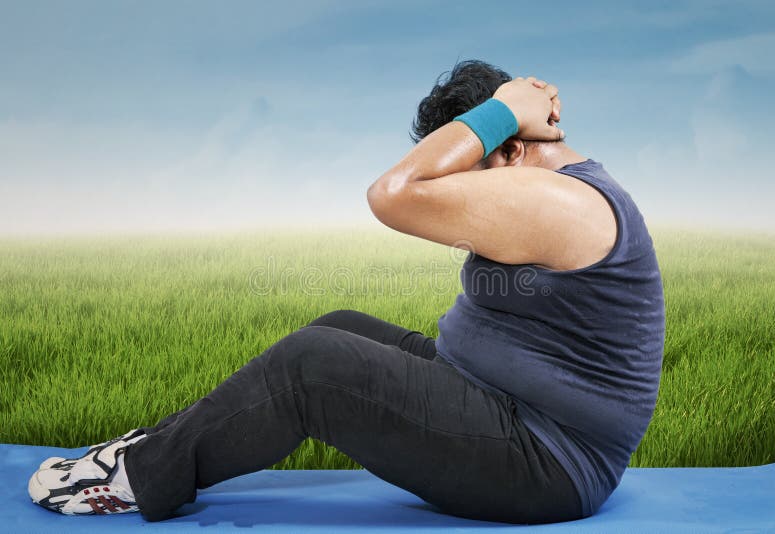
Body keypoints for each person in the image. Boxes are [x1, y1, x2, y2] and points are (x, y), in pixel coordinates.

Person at [28, 59, 665, 524]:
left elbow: (391, 196)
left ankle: (139, 481)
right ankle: (157, 446)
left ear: (510, 149)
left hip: (547, 461)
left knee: (313, 365)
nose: (458, 193)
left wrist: (503, 108)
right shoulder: (551, 187)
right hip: (497, 397)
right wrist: (505, 116)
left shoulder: (558, 202)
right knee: (339, 323)